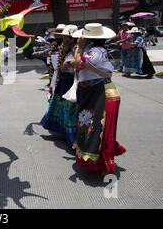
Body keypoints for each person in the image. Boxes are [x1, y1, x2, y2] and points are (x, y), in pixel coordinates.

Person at [72, 23, 126, 174]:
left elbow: (80, 63)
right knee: (89, 126)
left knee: (97, 128)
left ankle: (101, 164)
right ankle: (94, 162)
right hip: (92, 92)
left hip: (101, 92)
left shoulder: (97, 51)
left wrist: (80, 48)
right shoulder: (92, 50)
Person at [40, 25, 79, 146]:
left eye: (68, 37)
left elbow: (76, 64)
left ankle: (71, 136)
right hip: (62, 80)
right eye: (64, 37)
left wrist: (65, 65)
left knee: (69, 109)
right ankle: (61, 132)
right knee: (59, 107)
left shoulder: (76, 49)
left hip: (72, 81)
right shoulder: (61, 47)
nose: (64, 39)